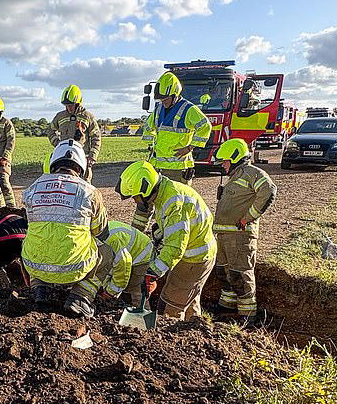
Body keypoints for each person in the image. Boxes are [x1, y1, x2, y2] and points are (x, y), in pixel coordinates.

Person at [21, 139, 111, 318]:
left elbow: (30, 223)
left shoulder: (33, 188)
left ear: (54, 163)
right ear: (81, 168)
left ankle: (40, 289)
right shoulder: (90, 192)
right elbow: (101, 232)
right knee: (107, 253)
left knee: (32, 240)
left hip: (34, 265)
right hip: (74, 268)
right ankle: (81, 298)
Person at [117, 161, 216, 320]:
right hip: (193, 253)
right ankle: (195, 328)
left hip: (194, 259)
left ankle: (174, 340)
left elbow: (175, 247)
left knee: (169, 307)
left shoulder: (173, 202)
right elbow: (147, 219)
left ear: (146, 190)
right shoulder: (163, 192)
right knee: (187, 298)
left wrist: (153, 272)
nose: (135, 200)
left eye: (135, 196)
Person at [213, 138, 277, 327]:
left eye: (224, 161)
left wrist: (248, 217)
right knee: (223, 272)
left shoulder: (252, 173)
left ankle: (247, 315)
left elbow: (269, 191)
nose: (222, 165)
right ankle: (227, 306)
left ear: (235, 158)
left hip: (241, 235)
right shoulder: (235, 176)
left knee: (240, 274)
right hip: (225, 234)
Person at [141, 71, 211, 184]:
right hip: (159, 166)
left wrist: (189, 148)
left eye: (166, 99)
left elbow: (205, 127)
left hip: (179, 168)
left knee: (178, 199)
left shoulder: (189, 109)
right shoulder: (159, 109)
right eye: (161, 100)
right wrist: (151, 145)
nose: (163, 102)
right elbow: (149, 127)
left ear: (175, 95)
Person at [47, 85, 101, 182]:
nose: (68, 108)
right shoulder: (60, 116)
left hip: (83, 158)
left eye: (71, 105)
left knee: (85, 189)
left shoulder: (88, 117)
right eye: (66, 105)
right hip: (63, 158)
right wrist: (57, 143)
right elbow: (51, 131)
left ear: (77, 103)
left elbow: (96, 137)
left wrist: (92, 156)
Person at [101, 220, 153, 305]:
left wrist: (110, 293)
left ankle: (141, 315)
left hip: (141, 255)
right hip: (124, 251)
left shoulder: (112, 242)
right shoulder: (94, 240)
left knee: (134, 293)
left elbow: (122, 271)